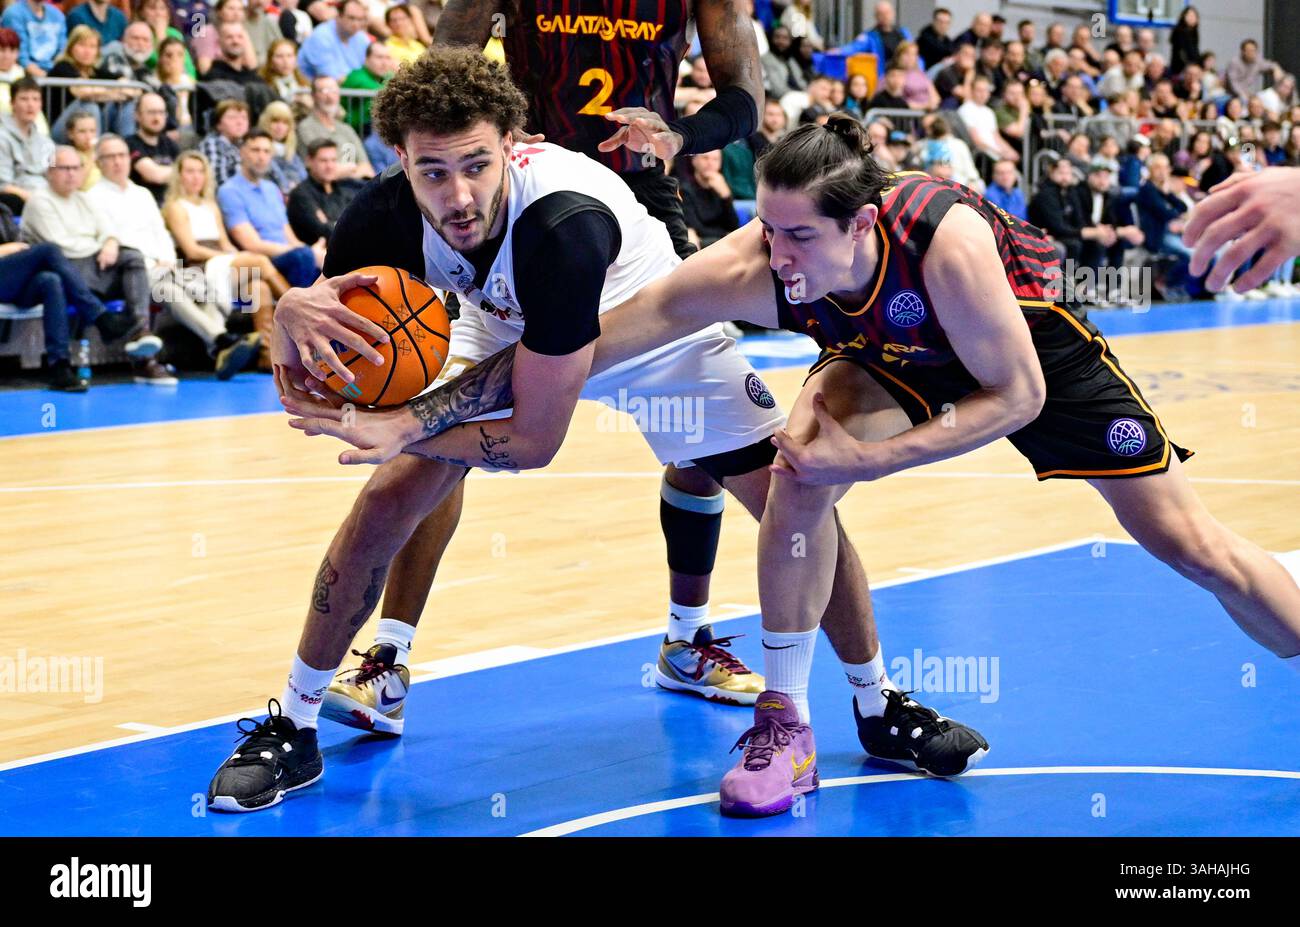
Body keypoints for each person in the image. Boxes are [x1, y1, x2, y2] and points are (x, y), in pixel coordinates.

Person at [323, 115, 1300, 816]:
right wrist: (415, 415)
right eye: (764, 229)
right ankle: (787, 727)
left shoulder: (943, 246)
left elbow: (1014, 400)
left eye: (798, 238)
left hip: (1026, 356)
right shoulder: (755, 261)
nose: (776, 261)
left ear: (861, 227)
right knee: (796, 466)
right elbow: (583, 350)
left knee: (1192, 549)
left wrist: (875, 464)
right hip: (884, 355)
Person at [207, 49, 984, 814]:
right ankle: (296, 721)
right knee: (394, 490)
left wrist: (406, 425)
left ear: (510, 147)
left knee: (797, 489)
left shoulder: (561, 226)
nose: (459, 195)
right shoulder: (380, 218)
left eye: (477, 165)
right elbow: (327, 325)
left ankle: (877, 702)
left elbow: (534, 442)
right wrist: (290, 313)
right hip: (501, 322)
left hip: (648, 323)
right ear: (400, 163)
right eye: (433, 173)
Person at [88, 133, 260, 378]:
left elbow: (161, 233)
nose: (118, 161)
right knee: (168, 290)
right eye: (110, 157)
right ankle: (221, 341)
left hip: (163, 264)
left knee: (204, 287)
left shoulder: (142, 194)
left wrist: (168, 258)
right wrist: (154, 261)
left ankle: (222, 349)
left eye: (122, 155)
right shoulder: (93, 197)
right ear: (99, 162)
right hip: (128, 272)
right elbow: (108, 238)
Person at [19, 144, 170, 382]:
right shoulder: (40, 201)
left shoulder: (84, 198)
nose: (70, 173)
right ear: (50, 172)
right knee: (74, 260)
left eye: (75, 168)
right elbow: (62, 247)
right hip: (67, 273)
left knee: (133, 256)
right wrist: (100, 246)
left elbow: (109, 230)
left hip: (93, 267)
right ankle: (131, 337)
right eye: (64, 168)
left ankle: (141, 331)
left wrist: (110, 243)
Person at [163, 148, 289, 366]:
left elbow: (225, 242)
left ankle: (267, 356)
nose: (195, 177)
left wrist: (234, 255)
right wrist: (233, 257)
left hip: (221, 263)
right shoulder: (175, 207)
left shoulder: (211, 206)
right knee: (259, 261)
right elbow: (191, 250)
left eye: (200, 172)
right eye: (190, 172)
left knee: (259, 286)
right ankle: (296, 306)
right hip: (197, 267)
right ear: (179, 175)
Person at [0, 198, 117, 390]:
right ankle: (98, 315)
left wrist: (20, 252)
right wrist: (4, 250)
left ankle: (59, 366)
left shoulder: (3, 209)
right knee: (49, 249)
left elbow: (19, 244)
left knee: (50, 280)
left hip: (10, 280)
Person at [216, 128, 323, 288]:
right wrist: (305, 252)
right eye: (255, 150)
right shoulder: (229, 191)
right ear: (242, 152)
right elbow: (251, 244)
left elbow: (289, 235)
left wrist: (312, 251)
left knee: (328, 258)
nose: (261, 157)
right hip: (263, 259)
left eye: (266, 151)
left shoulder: (272, 188)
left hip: (290, 255)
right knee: (303, 257)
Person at [1183, 165, 1300, 292]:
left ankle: (1277, 282)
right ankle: (1227, 287)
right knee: (1236, 249)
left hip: (1243, 236)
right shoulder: (1229, 196)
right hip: (1228, 237)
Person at [295, 75, 375, 182]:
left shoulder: (346, 129)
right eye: (324, 91)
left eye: (334, 90)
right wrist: (352, 168)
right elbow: (323, 172)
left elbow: (367, 169)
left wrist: (345, 171)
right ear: (313, 96)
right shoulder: (306, 127)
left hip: (354, 188)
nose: (330, 96)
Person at [286, 137, 354, 246]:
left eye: (333, 160)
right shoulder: (301, 194)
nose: (330, 166)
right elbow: (324, 231)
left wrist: (332, 223)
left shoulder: (343, 191)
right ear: (309, 161)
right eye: (323, 161)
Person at [0, 76, 52, 213]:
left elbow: (54, 172)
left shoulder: (47, 142)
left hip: (46, 196)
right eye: (24, 99)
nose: (31, 105)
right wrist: (32, 198)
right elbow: (3, 185)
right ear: (12, 103)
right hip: (18, 198)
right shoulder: (2, 138)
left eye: (36, 99)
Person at [297, 0, 371, 82]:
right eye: (351, 18)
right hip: (318, 90)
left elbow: (370, 70)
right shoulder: (321, 36)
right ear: (338, 16)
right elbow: (332, 78)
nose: (356, 24)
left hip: (352, 90)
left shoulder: (361, 37)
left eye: (360, 19)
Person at [126, 91, 178, 205]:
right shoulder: (129, 143)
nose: (157, 117)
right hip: (143, 206)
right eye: (151, 112)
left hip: (171, 204)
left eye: (161, 112)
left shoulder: (169, 143)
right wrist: (176, 172)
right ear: (137, 115)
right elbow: (154, 175)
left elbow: (185, 172)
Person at [1, 0, 66, 77]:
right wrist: (46, 79)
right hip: (25, 75)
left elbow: (62, 50)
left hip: (54, 75)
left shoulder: (58, 15)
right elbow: (20, 54)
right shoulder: (13, 13)